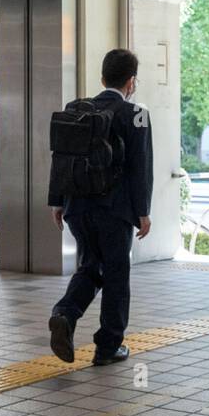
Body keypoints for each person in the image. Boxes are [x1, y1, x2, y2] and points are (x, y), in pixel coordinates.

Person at [48, 48, 153, 366]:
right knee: (117, 275)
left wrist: (57, 202)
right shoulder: (136, 114)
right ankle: (108, 346)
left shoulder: (76, 109)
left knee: (91, 267)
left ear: (102, 77)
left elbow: (60, 157)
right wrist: (143, 212)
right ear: (131, 82)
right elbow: (141, 167)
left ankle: (65, 314)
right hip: (115, 210)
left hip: (77, 207)